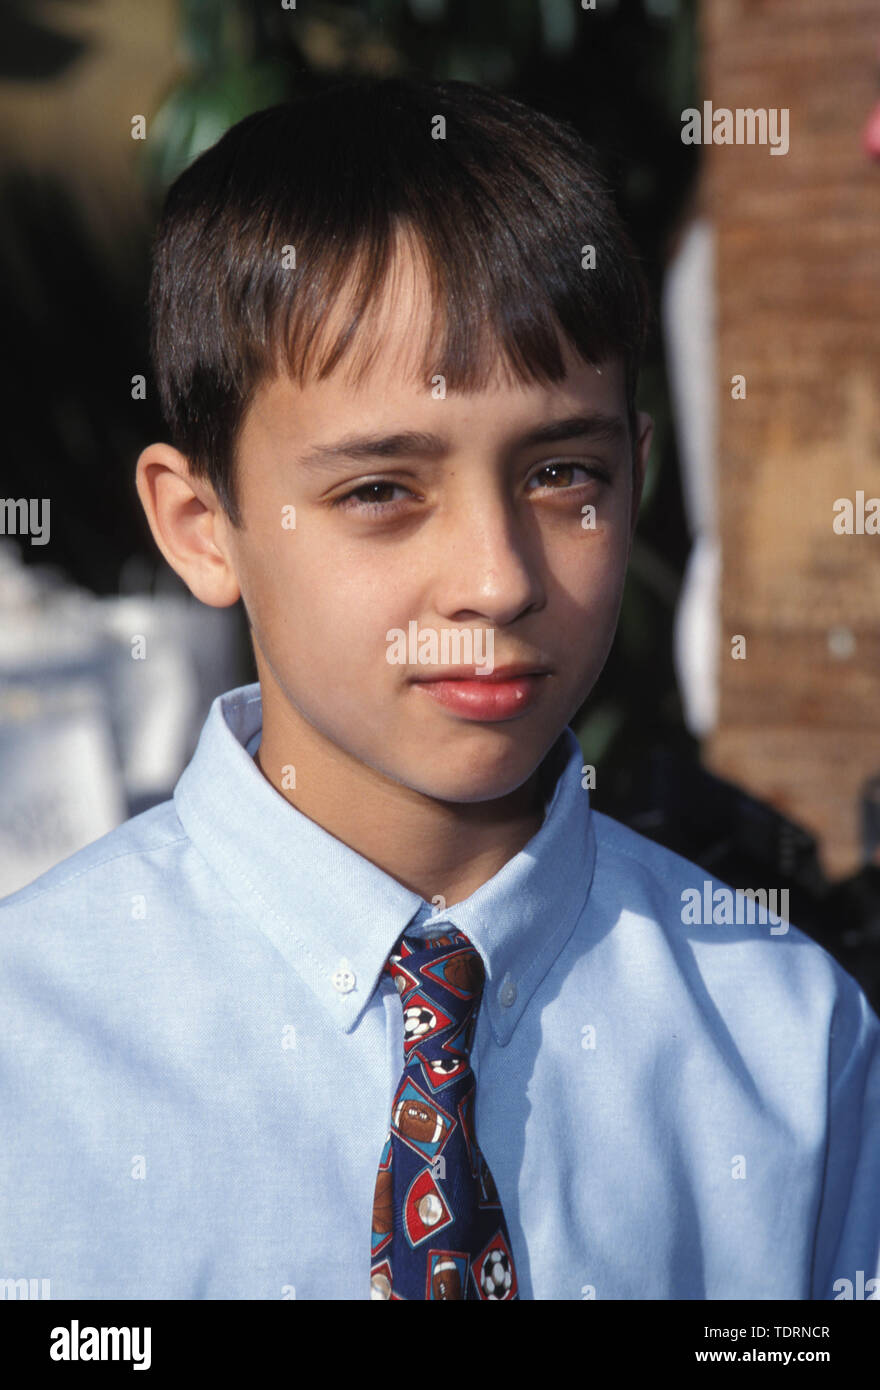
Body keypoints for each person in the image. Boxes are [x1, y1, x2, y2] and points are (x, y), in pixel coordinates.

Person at [1, 74, 878, 1301]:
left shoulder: (785, 1042)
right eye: (380, 491)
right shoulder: (28, 1047)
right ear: (202, 525)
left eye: (562, 473)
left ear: (637, 478)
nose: (495, 579)